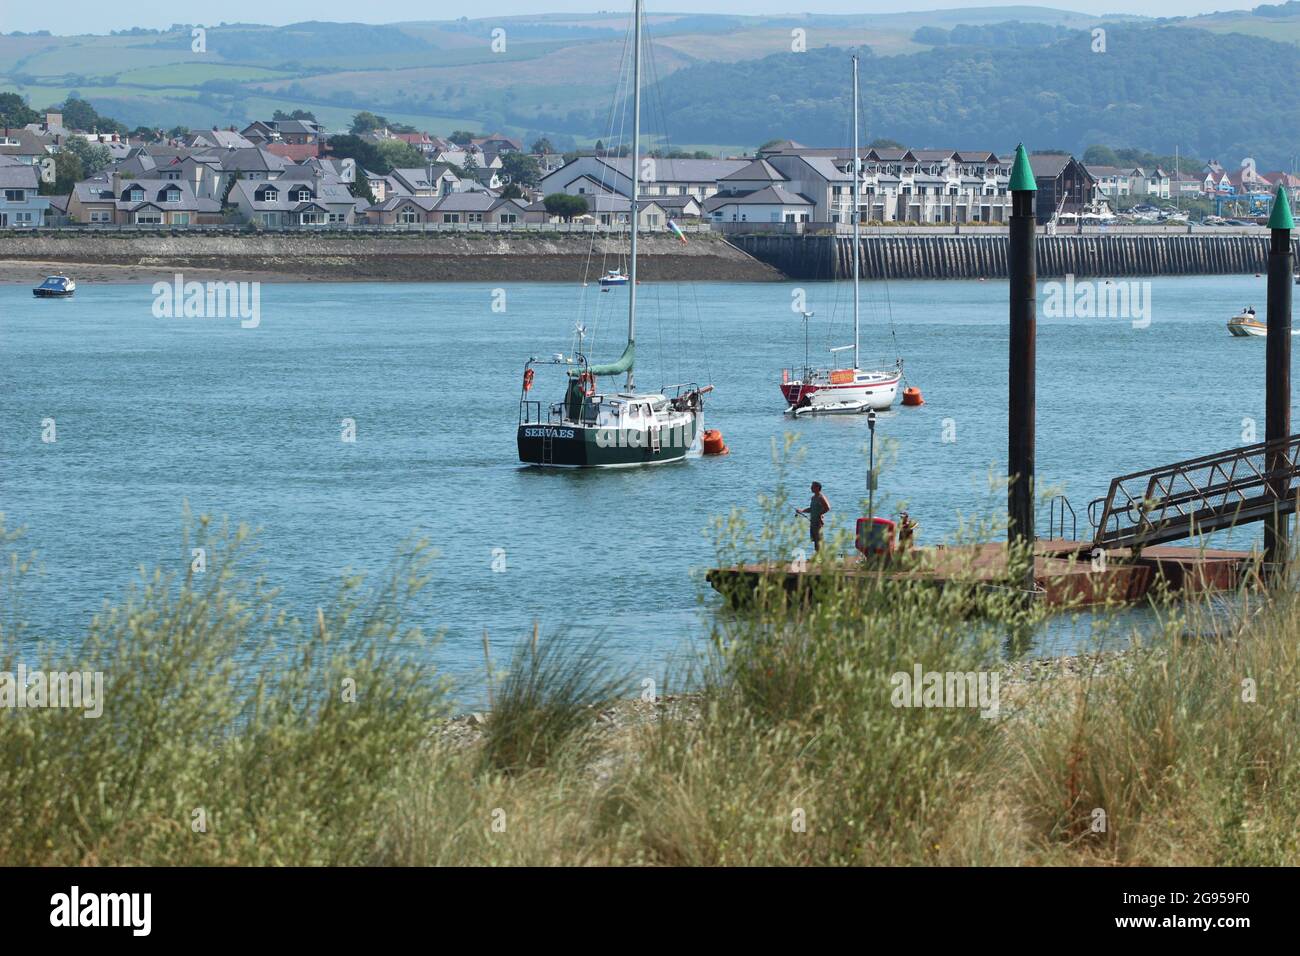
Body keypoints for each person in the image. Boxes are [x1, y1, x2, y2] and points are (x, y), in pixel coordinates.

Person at [796, 481, 831, 553]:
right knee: (815, 540)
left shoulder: (821, 497)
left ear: (817, 488)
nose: (811, 488)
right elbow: (811, 509)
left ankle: (821, 556)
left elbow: (827, 508)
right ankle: (817, 555)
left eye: (813, 487)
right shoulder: (813, 498)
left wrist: (820, 514)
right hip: (812, 521)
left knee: (819, 540)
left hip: (818, 522)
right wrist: (802, 511)